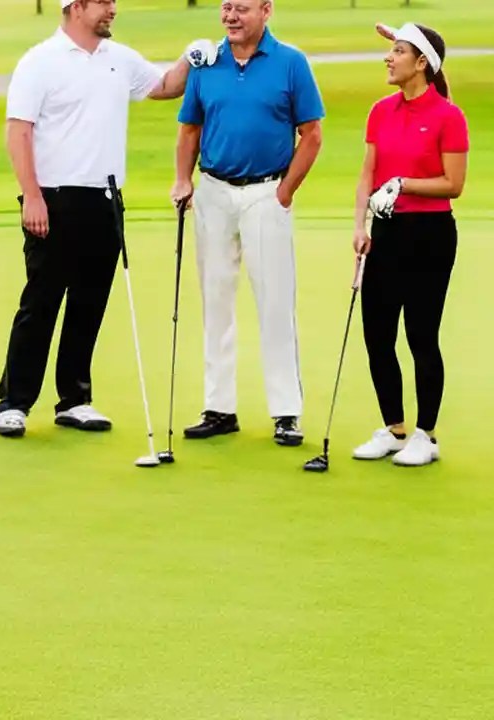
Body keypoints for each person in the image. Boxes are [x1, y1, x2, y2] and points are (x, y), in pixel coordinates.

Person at [0, 0, 218, 438]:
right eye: (103, 2)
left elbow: (164, 86)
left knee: (89, 303)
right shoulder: (40, 62)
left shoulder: (120, 59)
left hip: (105, 199)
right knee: (41, 303)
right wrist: (32, 197)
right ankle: (14, 402)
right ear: (75, 7)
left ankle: (74, 400)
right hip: (54, 199)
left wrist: (189, 59)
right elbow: (18, 131)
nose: (112, 9)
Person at [170, 0, 325, 448]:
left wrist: (286, 191)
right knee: (215, 298)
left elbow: (311, 134)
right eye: (226, 7)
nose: (231, 16)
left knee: (275, 302)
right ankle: (219, 407)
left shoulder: (291, 63)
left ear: (266, 10)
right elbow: (189, 130)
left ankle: (286, 412)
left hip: (266, 192)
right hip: (214, 191)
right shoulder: (207, 63)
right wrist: (183, 179)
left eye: (241, 8)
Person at [349, 22, 468, 467]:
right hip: (386, 233)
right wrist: (359, 226)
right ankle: (395, 428)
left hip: (430, 237)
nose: (388, 57)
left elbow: (453, 184)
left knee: (420, 335)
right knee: (377, 334)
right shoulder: (381, 110)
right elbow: (367, 174)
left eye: (397, 51)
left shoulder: (448, 116)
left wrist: (403, 184)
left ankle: (426, 434)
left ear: (421, 63)